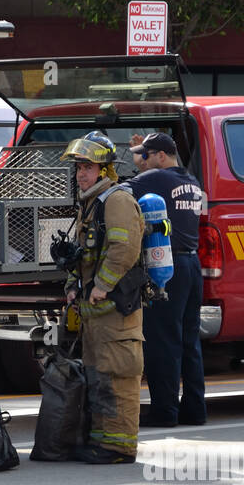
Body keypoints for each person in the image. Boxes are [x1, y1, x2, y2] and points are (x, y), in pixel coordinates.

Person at [61, 131, 144, 463]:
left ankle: (120, 446)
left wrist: (102, 285)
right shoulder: (91, 203)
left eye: (89, 167)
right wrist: (72, 285)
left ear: (106, 170)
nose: (82, 173)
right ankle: (103, 441)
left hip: (115, 307)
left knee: (119, 375)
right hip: (95, 312)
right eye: (79, 167)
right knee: (99, 376)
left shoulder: (116, 199)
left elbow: (124, 249)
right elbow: (82, 254)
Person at [125, 131, 207, 427]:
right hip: (192, 265)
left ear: (161, 156)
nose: (141, 162)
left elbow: (116, 193)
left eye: (145, 156)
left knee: (163, 342)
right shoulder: (190, 180)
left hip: (166, 267)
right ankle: (196, 410)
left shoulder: (156, 180)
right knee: (189, 341)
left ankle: (165, 412)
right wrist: (140, 151)